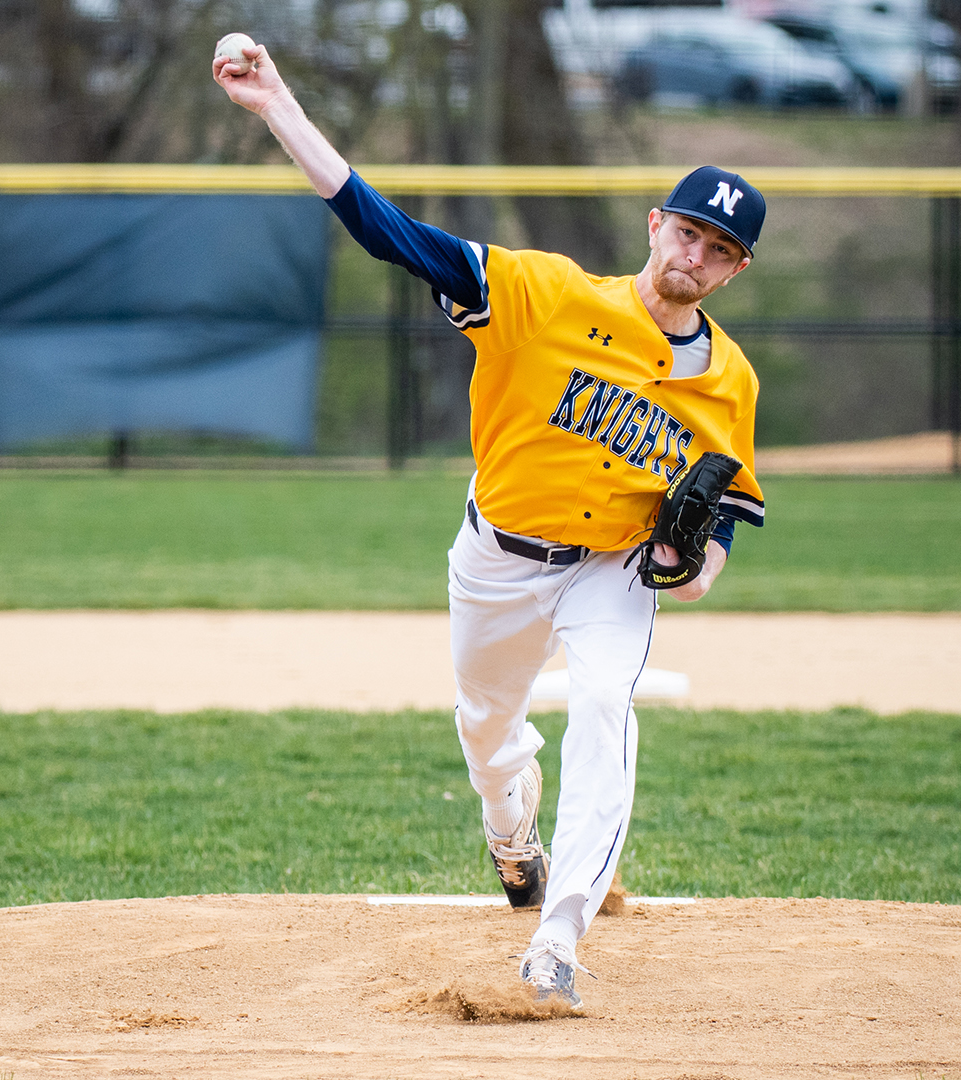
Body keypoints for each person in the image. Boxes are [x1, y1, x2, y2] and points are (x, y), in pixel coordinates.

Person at [215, 43, 765, 1006]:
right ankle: (511, 831)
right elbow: (386, 230)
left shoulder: (731, 381)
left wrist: (697, 566)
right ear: (655, 226)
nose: (696, 256)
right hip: (498, 556)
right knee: (485, 729)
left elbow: (725, 514)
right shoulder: (543, 294)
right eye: (687, 232)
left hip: (611, 568)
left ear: (735, 269)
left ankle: (558, 938)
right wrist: (278, 107)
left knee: (606, 705)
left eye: (718, 249)